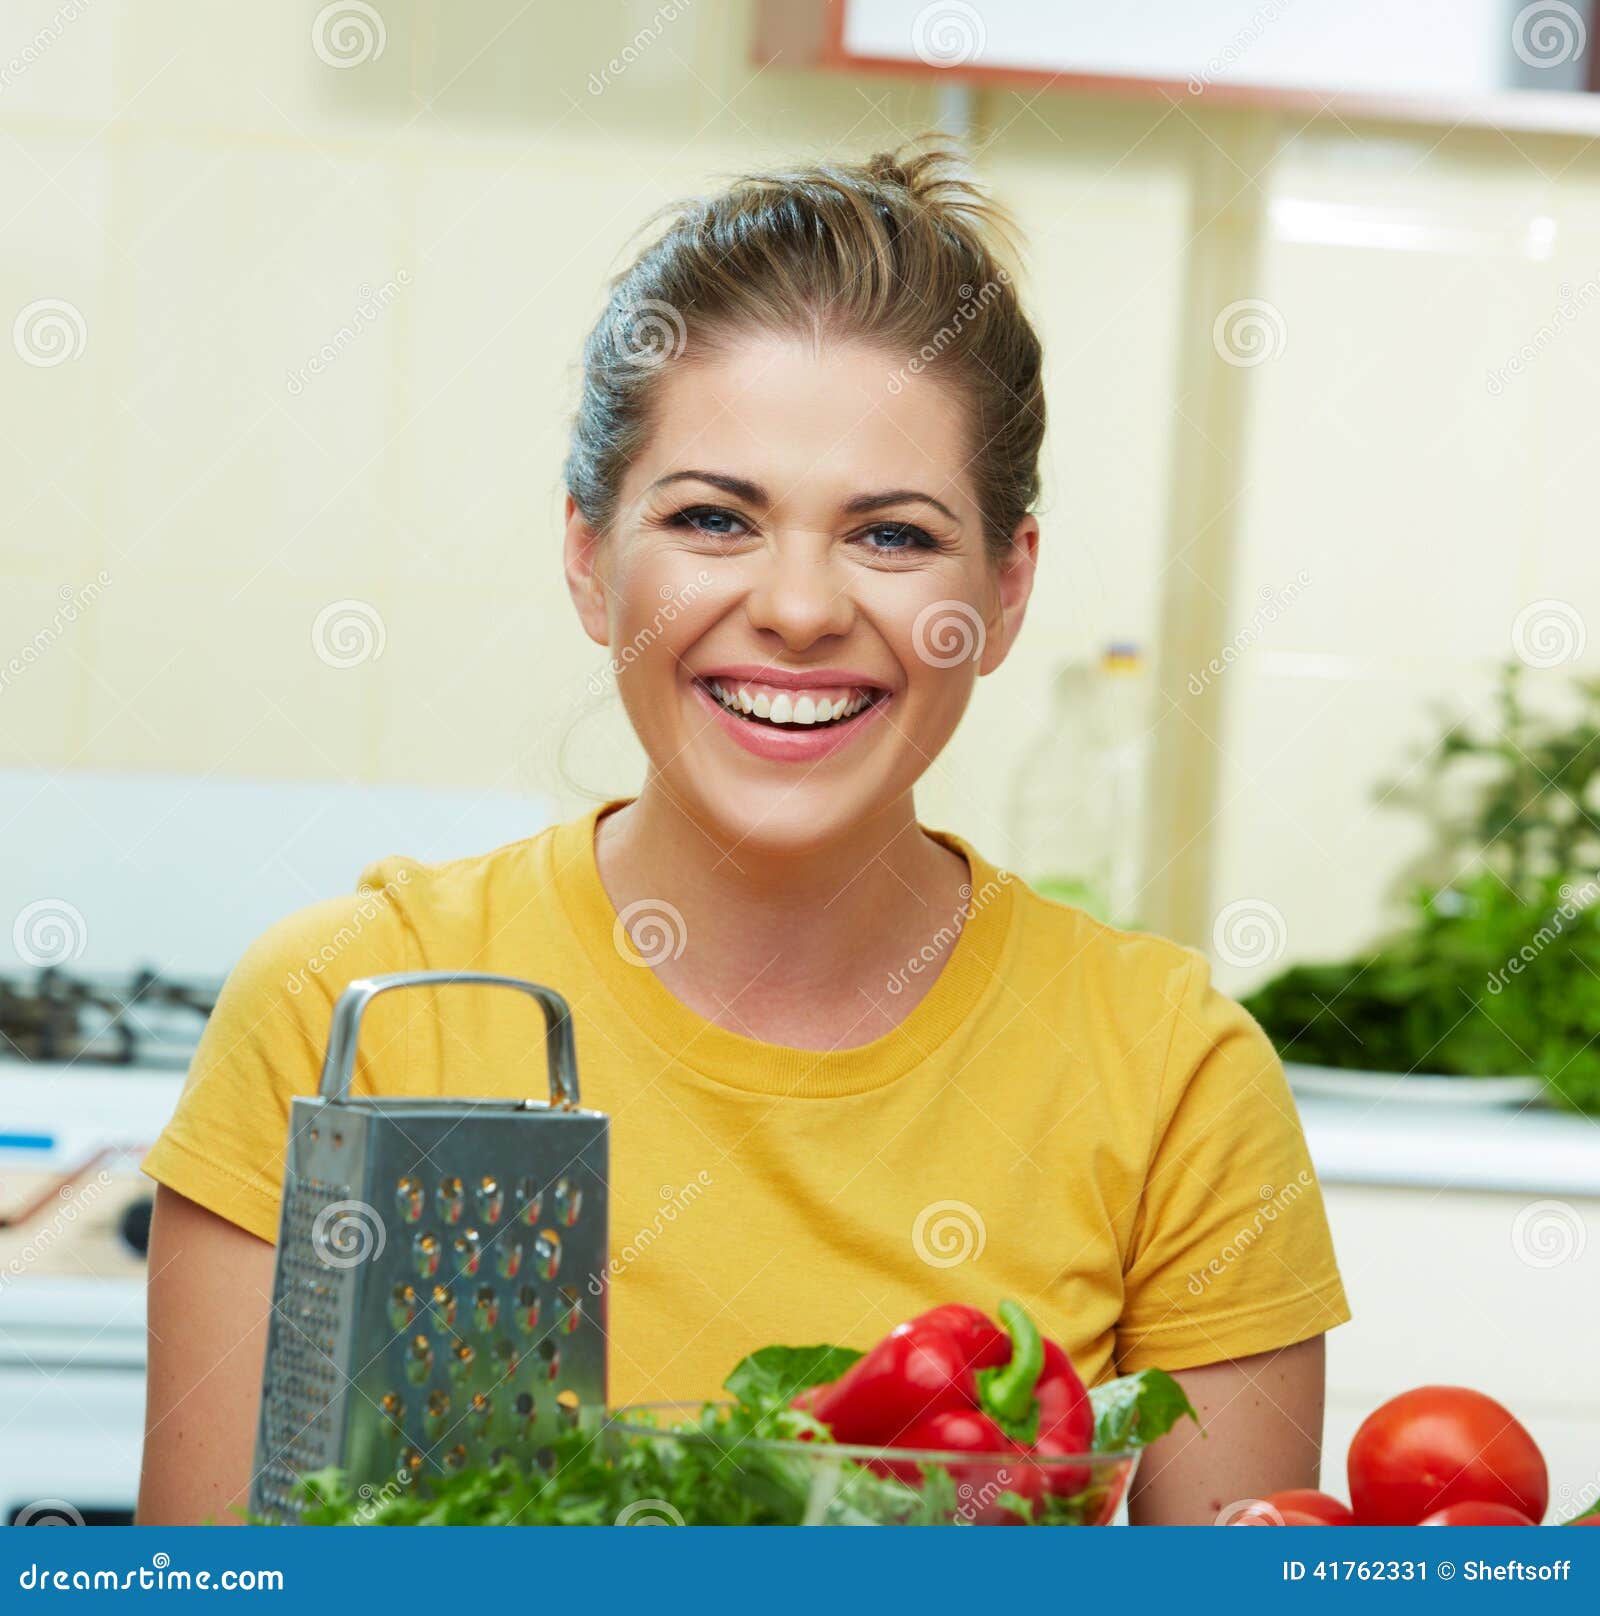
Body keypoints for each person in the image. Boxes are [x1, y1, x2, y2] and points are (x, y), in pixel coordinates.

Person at [137, 141, 1349, 1526]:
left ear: (1006, 592)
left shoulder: (1176, 1077)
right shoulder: (343, 1007)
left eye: (892, 536)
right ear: (591, 558)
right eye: (714, 518)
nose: (797, 607)